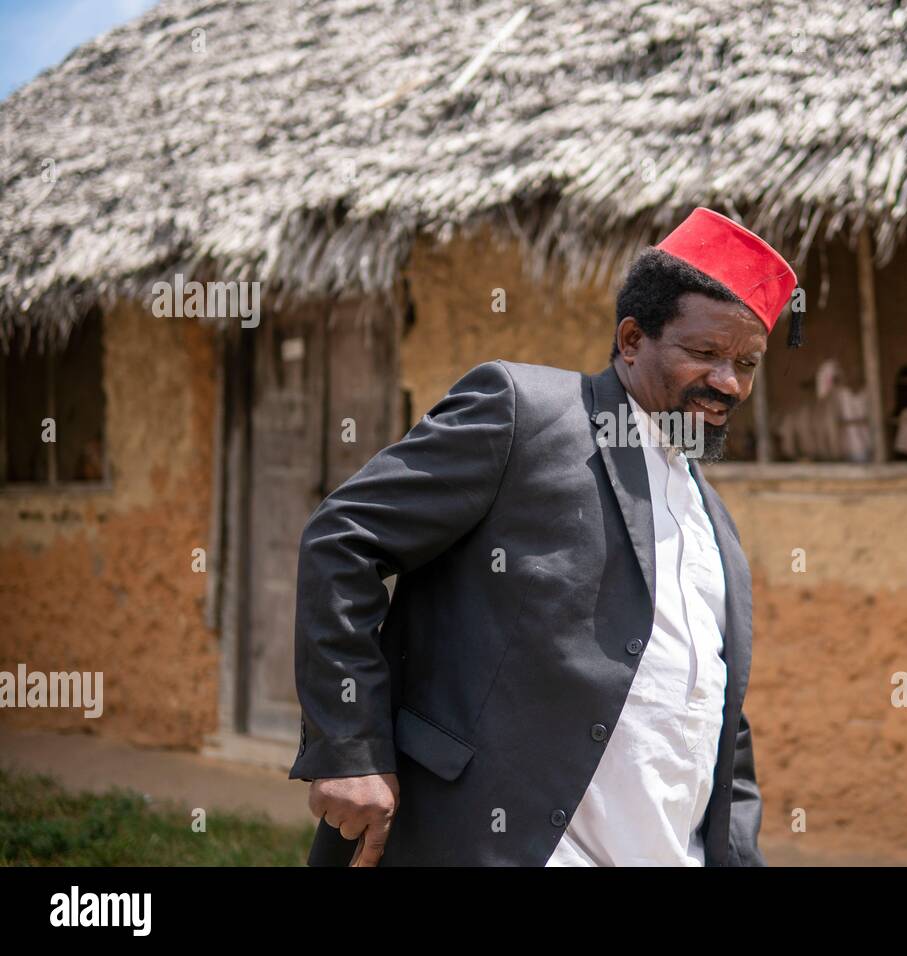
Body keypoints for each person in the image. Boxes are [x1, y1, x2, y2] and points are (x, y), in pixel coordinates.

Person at [289, 206, 799, 865]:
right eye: (704, 353)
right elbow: (343, 539)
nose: (727, 382)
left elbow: (722, 727)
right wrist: (349, 745)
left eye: (747, 363)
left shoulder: (715, 523)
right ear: (632, 339)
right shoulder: (525, 414)